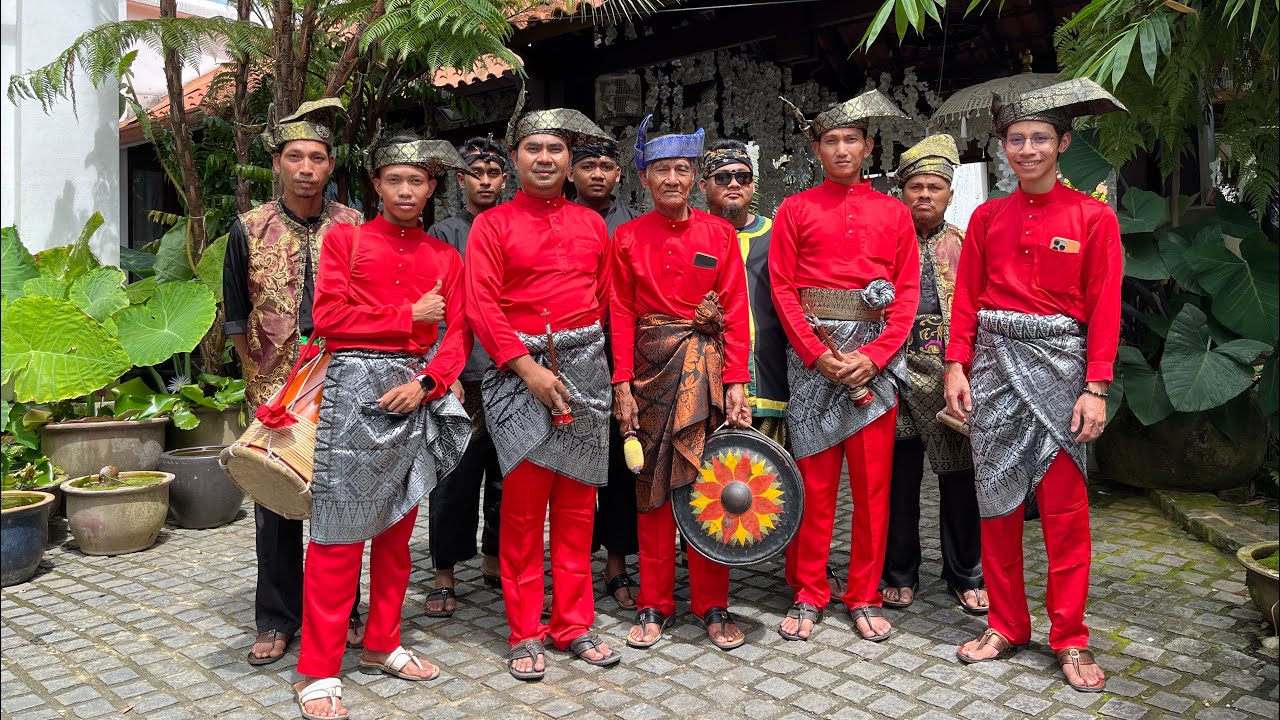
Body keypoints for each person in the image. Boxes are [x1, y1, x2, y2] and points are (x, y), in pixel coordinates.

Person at [944, 79, 1125, 693]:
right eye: (1016, 139)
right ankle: (1006, 623)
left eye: (1039, 138)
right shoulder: (987, 217)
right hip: (993, 370)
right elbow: (965, 298)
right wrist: (955, 366)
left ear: (1063, 143)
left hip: (1063, 373)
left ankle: (1070, 637)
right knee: (995, 505)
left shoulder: (1093, 218)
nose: (1027, 149)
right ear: (1001, 146)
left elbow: (1104, 307)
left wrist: (1095, 387)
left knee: (1065, 512)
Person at [290, 131, 475, 719]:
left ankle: (382, 643)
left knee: (398, 532)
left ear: (431, 188)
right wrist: (409, 316)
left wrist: (426, 385)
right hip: (353, 391)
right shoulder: (346, 239)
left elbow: (459, 338)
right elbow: (328, 319)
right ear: (376, 184)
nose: (404, 190)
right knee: (338, 535)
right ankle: (317, 670)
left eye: (416, 181)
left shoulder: (446, 258)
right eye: (393, 179)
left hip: (413, 394)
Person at [464, 107, 622, 680]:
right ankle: (525, 629)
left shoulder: (590, 224)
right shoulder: (492, 226)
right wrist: (527, 367)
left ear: (569, 160)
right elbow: (481, 304)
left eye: (556, 149)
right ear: (515, 159)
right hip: (516, 375)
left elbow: (604, 297)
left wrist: (594, 366)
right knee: (525, 512)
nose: (546, 159)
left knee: (579, 511)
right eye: (534, 149)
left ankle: (574, 624)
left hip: (586, 371)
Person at [771, 90, 920, 643]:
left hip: (873, 366)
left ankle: (864, 593)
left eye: (850, 139)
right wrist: (815, 353)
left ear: (868, 145)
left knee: (873, 489)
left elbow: (906, 294)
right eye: (830, 140)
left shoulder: (895, 212)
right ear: (815, 149)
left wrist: (874, 358)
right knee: (814, 485)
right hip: (814, 361)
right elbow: (784, 290)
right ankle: (809, 590)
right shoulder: (795, 209)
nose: (841, 149)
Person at [222, 98, 365, 666]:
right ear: (278, 163)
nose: (307, 168)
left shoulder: (354, 225)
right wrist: (260, 378)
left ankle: (343, 608)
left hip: (344, 378)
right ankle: (278, 618)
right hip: (275, 387)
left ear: (331, 167)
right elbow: (236, 313)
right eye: (296, 157)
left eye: (318, 158)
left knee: (342, 500)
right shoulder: (250, 228)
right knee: (275, 504)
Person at [610, 118, 752, 651]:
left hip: (708, 374)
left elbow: (735, 310)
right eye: (662, 170)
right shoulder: (626, 238)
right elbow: (620, 313)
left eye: (683, 170)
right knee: (650, 489)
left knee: (709, 485)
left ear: (695, 176)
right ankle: (654, 601)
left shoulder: (719, 234)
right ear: (644, 178)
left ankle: (713, 602)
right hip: (649, 374)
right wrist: (621, 383)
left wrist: (737, 378)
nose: (673, 179)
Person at [881, 134, 986, 614]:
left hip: (950, 376)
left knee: (960, 479)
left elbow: (979, 314)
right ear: (902, 191)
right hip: (895, 374)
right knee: (898, 481)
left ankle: (965, 572)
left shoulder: (967, 245)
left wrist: (962, 368)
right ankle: (899, 572)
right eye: (916, 187)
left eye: (935, 188)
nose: (924, 195)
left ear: (950, 193)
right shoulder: (884, 245)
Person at [423, 136, 508, 618]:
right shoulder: (443, 234)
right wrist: (444, 368)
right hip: (461, 374)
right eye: (477, 173)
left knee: (504, 473)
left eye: (494, 173)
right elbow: (435, 309)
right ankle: (444, 571)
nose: (486, 181)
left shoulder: (509, 225)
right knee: (453, 475)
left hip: (507, 370)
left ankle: (495, 558)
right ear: (461, 179)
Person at [570, 137, 642, 609]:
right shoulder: (559, 218)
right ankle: (569, 565)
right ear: (572, 173)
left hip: (625, 355)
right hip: (572, 353)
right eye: (588, 166)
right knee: (572, 463)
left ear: (619, 174)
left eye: (606, 166)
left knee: (621, 464)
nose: (597, 174)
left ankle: (617, 563)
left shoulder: (633, 224)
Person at [699, 139, 790, 447]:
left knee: (770, 484)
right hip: (701, 384)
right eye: (722, 177)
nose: (734, 183)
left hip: (770, 380)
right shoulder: (691, 236)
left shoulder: (778, 235)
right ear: (703, 185)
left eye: (743, 176)